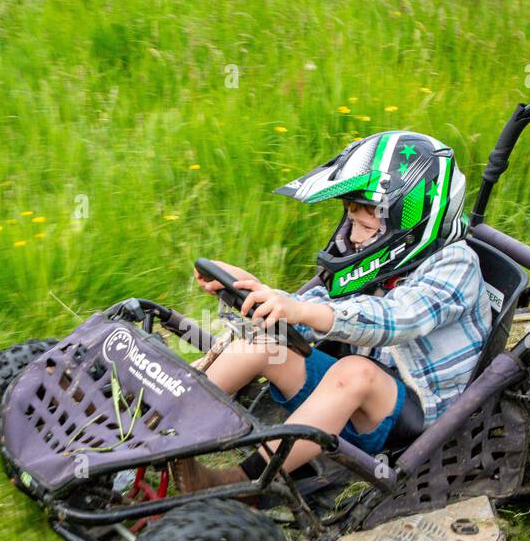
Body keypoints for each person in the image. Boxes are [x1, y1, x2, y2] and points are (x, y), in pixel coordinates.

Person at [173, 130, 492, 493]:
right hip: (349, 398)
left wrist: (302, 312)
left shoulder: (456, 264)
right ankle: (164, 436)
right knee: (266, 342)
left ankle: (240, 485)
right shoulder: (378, 261)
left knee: (355, 371)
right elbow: (316, 306)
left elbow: (397, 318)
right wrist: (256, 293)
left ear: (412, 222)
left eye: (366, 227)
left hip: (415, 419)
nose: (354, 237)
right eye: (352, 223)